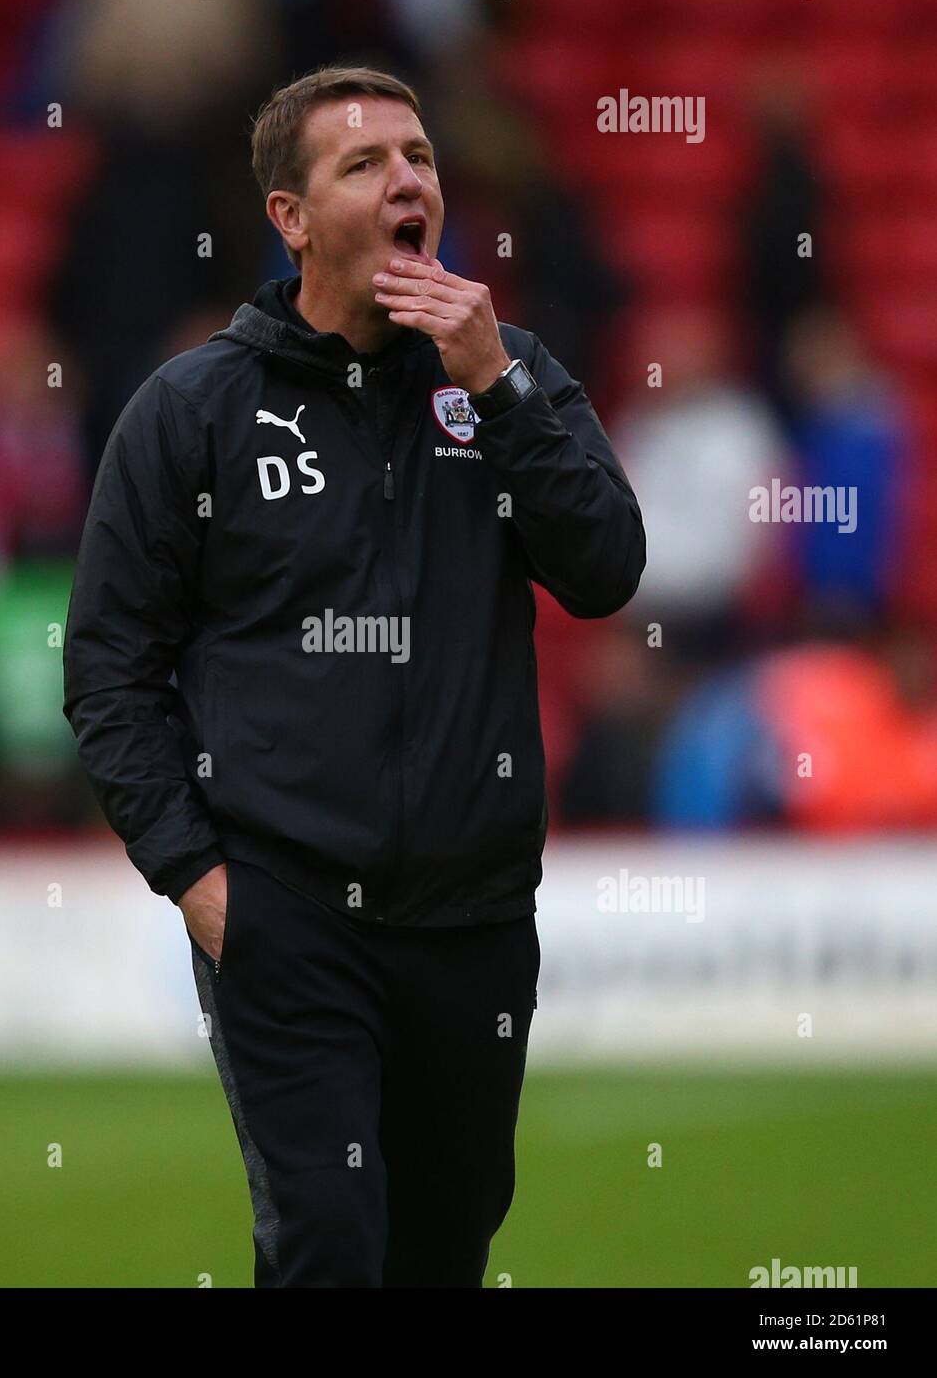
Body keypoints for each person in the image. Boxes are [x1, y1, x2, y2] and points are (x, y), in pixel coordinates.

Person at [62, 66, 646, 1288]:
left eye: (420, 158)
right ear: (290, 215)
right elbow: (110, 666)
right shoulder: (194, 410)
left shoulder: (505, 375)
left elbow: (604, 569)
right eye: (365, 163)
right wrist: (200, 879)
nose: (407, 181)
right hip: (288, 914)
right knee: (328, 1246)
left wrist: (497, 384)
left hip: (474, 921)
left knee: (441, 1250)